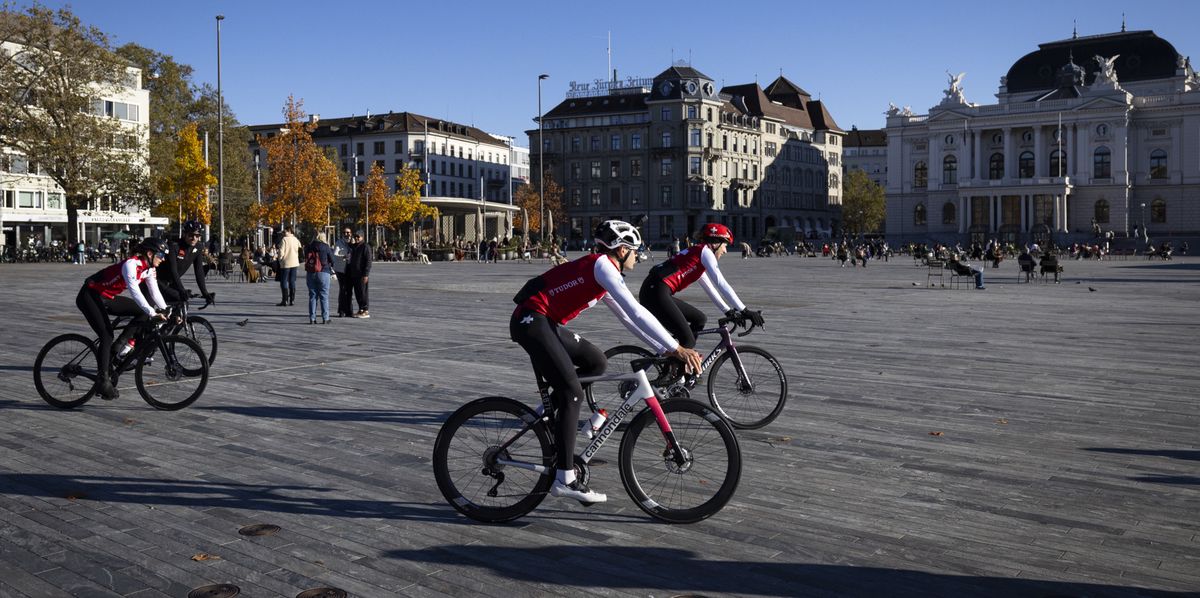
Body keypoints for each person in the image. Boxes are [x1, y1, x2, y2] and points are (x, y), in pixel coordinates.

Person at [510, 220, 702, 504]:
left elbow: (627, 318)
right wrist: (676, 349)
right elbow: (636, 312)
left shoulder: (603, 271)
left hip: (545, 321)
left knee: (596, 362)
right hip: (531, 321)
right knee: (573, 392)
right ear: (622, 250)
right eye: (636, 251)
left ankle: (548, 413)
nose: (639, 256)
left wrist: (664, 350)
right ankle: (565, 478)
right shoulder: (602, 266)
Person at [638, 223, 762, 363]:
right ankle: (675, 370)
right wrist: (745, 310)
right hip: (655, 292)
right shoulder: (705, 252)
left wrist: (728, 311)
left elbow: (710, 288)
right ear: (716, 243)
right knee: (688, 339)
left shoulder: (697, 254)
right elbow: (721, 283)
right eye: (725, 245)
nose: (726, 251)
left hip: (655, 290)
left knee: (699, 319)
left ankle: (677, 367)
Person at [76, 237, 170, 400]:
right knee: (106, 335)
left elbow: (154, 293)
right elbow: (135, 292)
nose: (163, 259)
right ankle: (103, 380)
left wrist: (166, 311)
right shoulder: (131, 265)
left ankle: (116, 348)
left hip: (107, 297)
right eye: (161, 255)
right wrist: (153, 313)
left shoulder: (149, 269)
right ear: (149, 253)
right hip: (89, 295)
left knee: (142, 312)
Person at [155, 220, 214, 305]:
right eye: (191, 235)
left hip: (172, 282)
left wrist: (205, 293)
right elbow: (173, 271)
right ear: (184, 234)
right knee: (178, 298)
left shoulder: (198, 247)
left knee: (180, 305)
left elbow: (199, 271)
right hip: (158, 280)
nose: (194, 238)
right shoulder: (174, 246)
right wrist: (182, 290)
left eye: (197, 236)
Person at [304, 232, 335, 324]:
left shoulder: (309, 246)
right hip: (323, 271)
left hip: (311, 272)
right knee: (324, 296)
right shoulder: (325, 247)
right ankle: (325, 318)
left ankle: (312, 318)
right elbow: (332, 260)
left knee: (312, 296)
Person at [276, 226, 302, 306]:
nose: (284, 233)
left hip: (285, 262)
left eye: (285, 231)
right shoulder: (296, 239)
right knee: (292, 281)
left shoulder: (284, 240)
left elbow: (281, 251)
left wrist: (280, 259)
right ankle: (292, 300)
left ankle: (285, 300)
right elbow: (300, 249)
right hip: (294, 263)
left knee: (284, 281)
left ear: (289, 231)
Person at [348, 231, 372, 318]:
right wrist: (350, 238)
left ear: (362, 237)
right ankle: (361, 309)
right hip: (355, 273)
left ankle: (365, 309)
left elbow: (368, 261)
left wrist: (366, 274)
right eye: (355, 236)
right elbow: (350, 245)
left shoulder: (365, 246)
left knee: (363, 292)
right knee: (357, 292)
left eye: (358, 236)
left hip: (362, 274)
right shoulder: (355, 246)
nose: (356, 238)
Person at [332, 227, 354, 317]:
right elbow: (335, 255)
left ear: (351, 233)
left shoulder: (353, 242)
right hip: (341, 269)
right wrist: (343, 257)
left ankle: (349, 310)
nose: (346, 234)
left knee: (349, 290)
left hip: (351, 269)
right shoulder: (339, 242)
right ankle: (341, 310)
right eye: (344, 232)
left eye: (348, 232)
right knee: (343, 289)